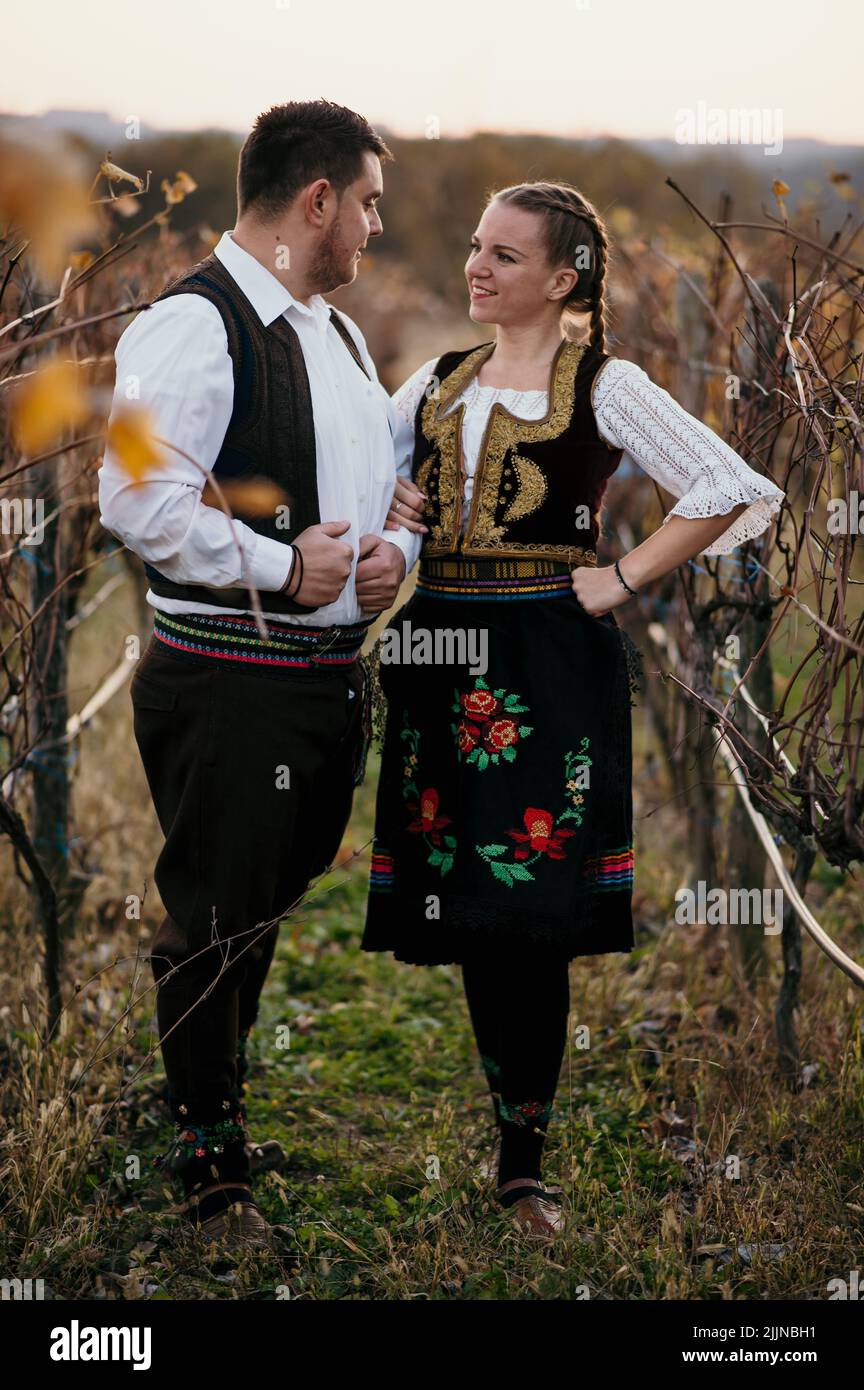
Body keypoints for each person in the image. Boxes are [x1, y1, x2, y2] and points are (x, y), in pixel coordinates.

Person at [363, 180, 785, 1237]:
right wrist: (398, 501)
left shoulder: (607, 385)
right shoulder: (433, 383)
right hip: (439, 661)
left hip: (549, 668)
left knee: (535, 912)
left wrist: (625, 575)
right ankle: (511, 1129)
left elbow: (727, 484)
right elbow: (363, 492)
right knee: (468, 908)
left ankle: (523, 1164)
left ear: (563, 279)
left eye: (505, 255)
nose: (478, 266)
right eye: (474, 246)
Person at [98, 100, 422, 1247]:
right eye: (369, 203)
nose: (375, 229)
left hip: (319, 680)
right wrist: (287, 569)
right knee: (213, 920)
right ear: (317, 200)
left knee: (260, 909)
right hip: (229, 676)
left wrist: (393, 550)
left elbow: (386, 487)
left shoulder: (332, 333)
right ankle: (208, 1173)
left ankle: (211, 1101)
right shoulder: (194, 326)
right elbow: (137, 500)